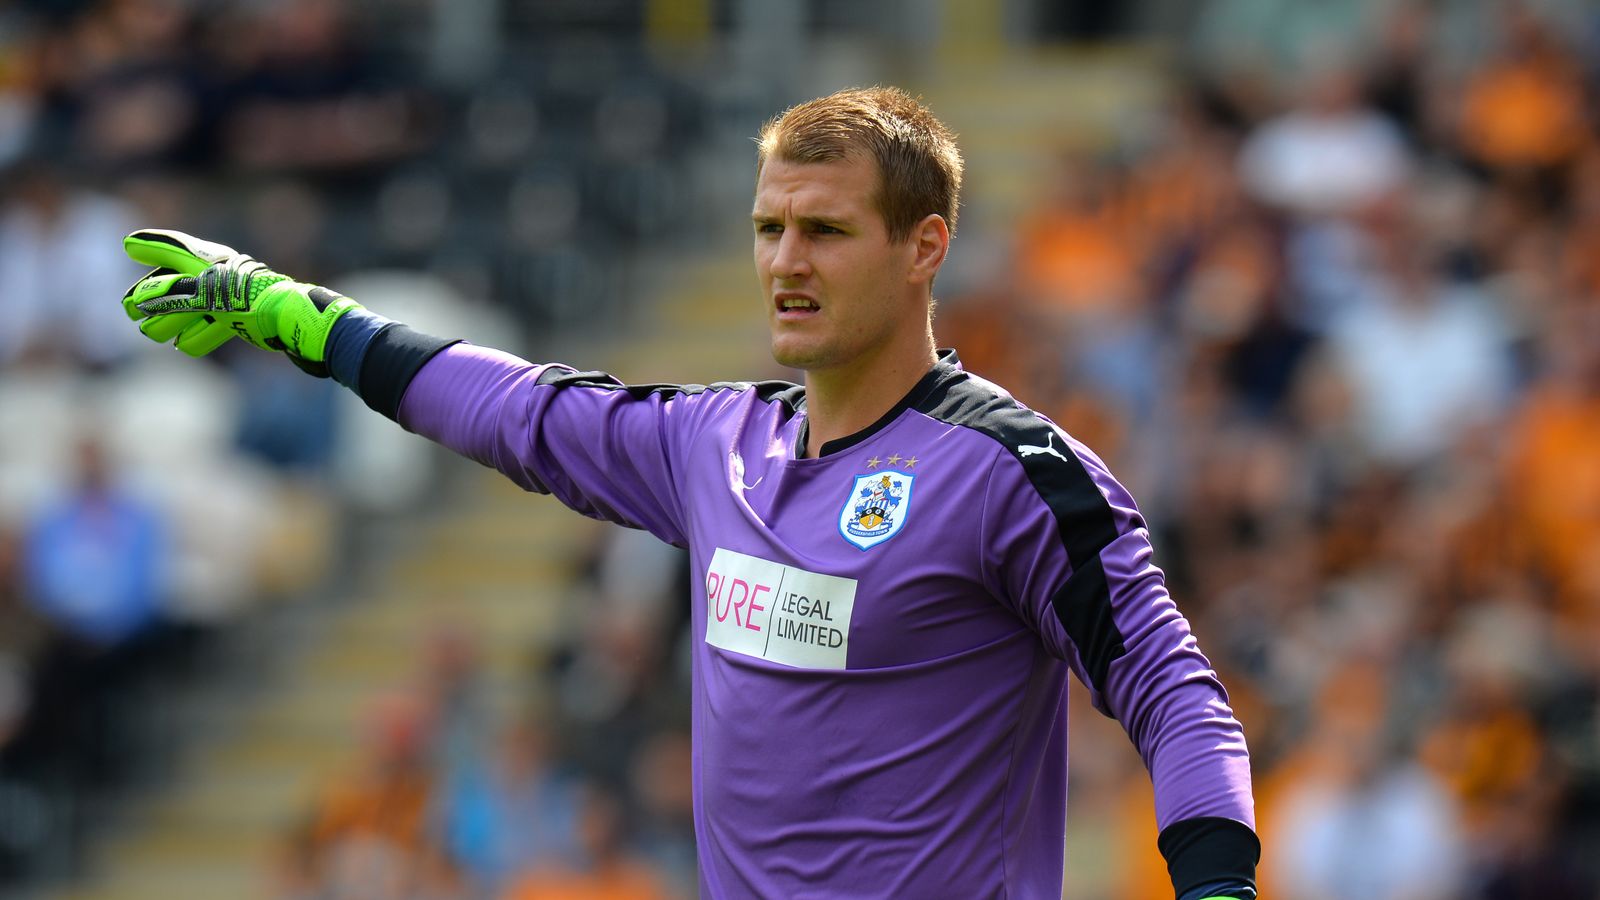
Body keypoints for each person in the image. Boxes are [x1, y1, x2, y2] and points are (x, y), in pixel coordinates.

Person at [117, 87, 1258, 898]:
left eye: (824, 231)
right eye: (769, 230)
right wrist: (298, 317)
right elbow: (514, 409)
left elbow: (1175, 693)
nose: (784, 263)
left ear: (925, 248)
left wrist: (1213, 890)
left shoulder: (1015, 476)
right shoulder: (714, 445)